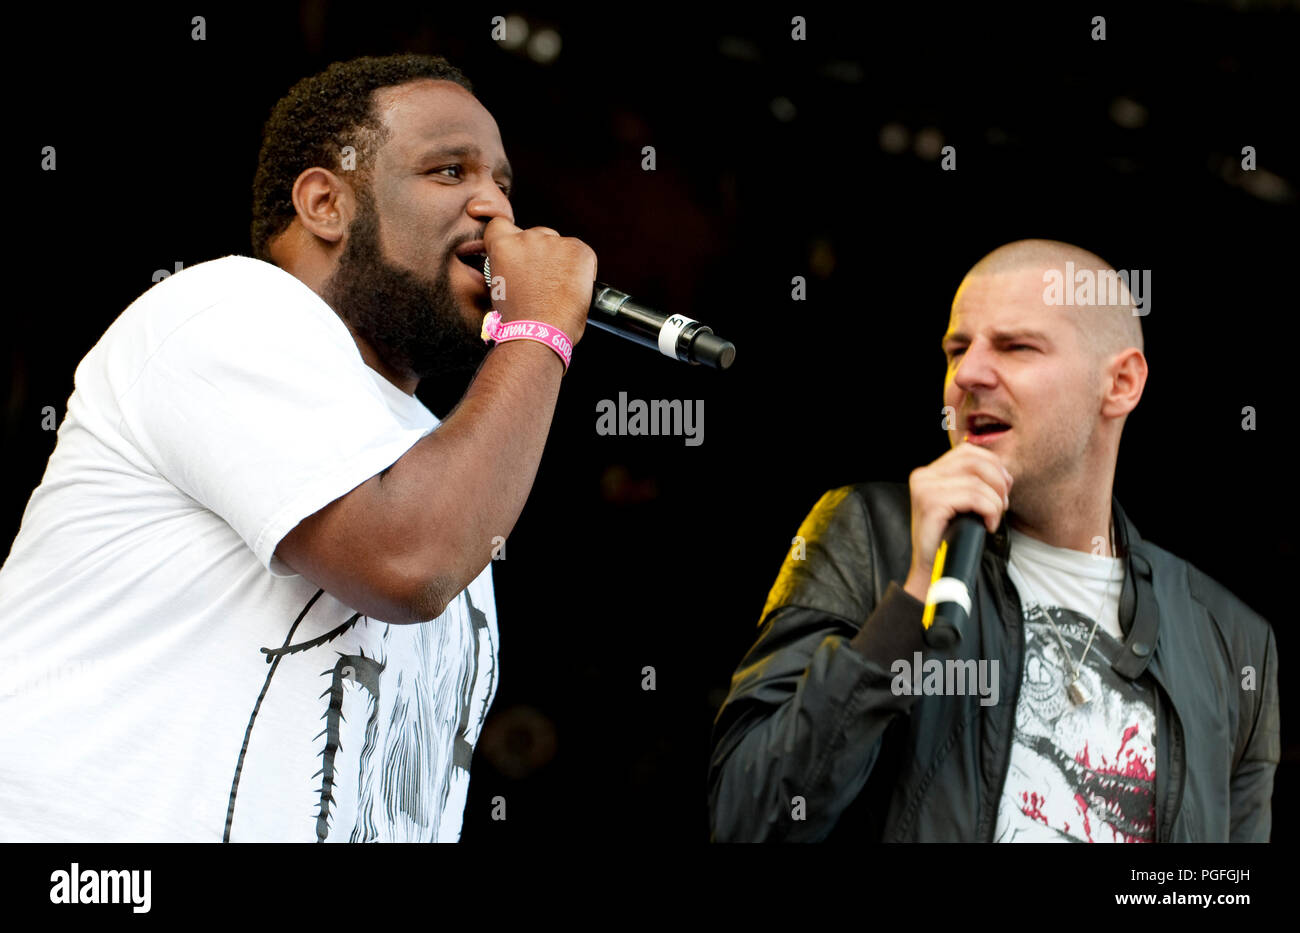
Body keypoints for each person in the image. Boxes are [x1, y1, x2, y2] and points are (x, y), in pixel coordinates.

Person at [0, 54, 596, 842]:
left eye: (504, 183)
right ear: (325, 201)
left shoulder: (431, 451)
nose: (495, 208)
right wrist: (539, 331)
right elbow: (408, 562)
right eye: (450, 170)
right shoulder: (224, 311)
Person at [708, 239, 1279, 843]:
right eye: (957, 349)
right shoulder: (867, 535)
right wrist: (910, 601)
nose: (969, 374)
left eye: (1016, 347)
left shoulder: (1234, 642)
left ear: (1120, 383)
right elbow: (745, 820)